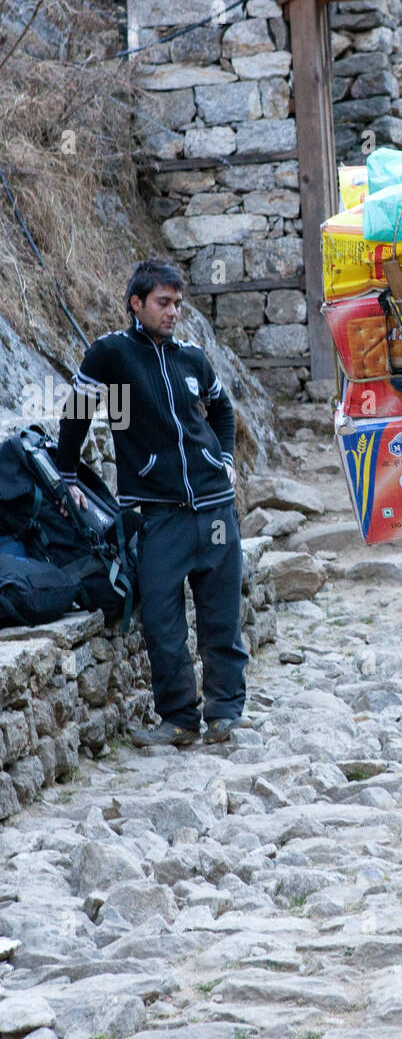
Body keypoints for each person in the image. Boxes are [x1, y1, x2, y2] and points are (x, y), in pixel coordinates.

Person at [57, 258, 248, 747]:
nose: (172, 312)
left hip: (215, 507)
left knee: (220, 614)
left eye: (177, 304)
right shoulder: (111, 355)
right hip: (159, 513)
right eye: (163, 303)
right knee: (162, 619)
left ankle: (225, 712)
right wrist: (63, 474)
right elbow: (77, 414)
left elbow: (222, 408)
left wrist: (225, 459)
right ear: (136, 303)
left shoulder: (192, 358)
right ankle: (180, 719)